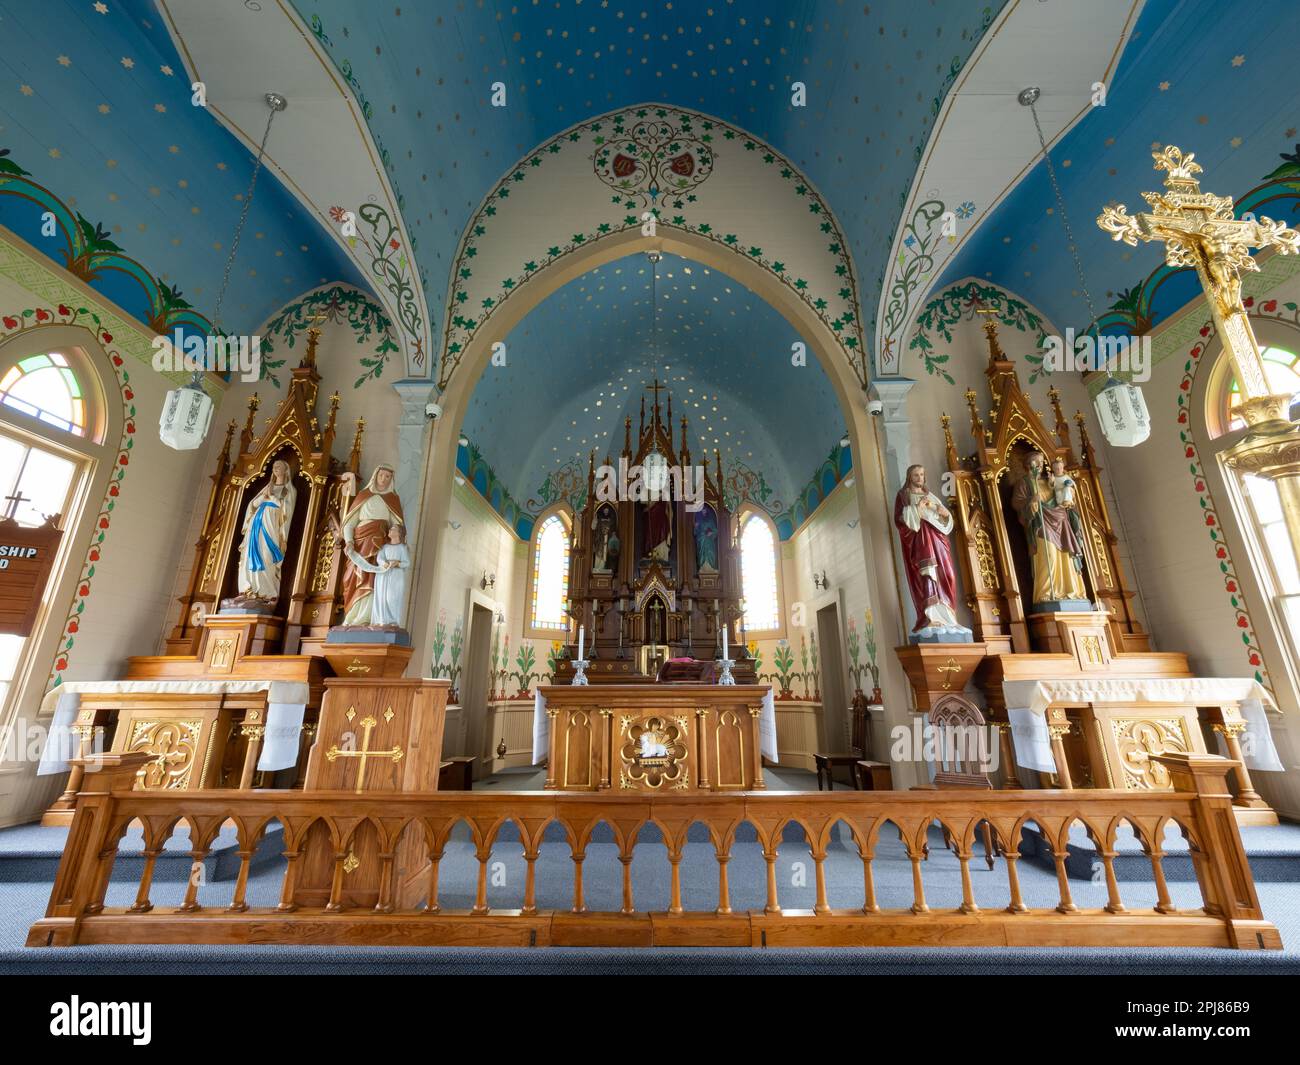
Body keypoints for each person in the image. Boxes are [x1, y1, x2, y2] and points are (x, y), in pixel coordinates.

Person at [893, 464, 963, 636]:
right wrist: (918, 509)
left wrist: (945, 515)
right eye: (916, 475)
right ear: (910, 477)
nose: (919, 478)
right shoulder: (903, 496)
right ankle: (931, 617)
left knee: (948, 575)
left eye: (922, 475)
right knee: (928, 574)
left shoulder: (931, 495)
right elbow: (900, 520)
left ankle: (949, 618)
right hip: (922, 541)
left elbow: (944, 519)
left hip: (939, 541)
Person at [1012, 450, 1088, 605]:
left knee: (1066, 556)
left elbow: (1065, 494)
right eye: (1035, 462)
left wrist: (1069, 493)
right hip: (1041, 523)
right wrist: (1032, 500)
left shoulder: (1051, 480)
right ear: (1027, 465)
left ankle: (1071, 591)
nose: (1039, 465)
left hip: (1060, 520)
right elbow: (1016, 503)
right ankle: (1046, 593)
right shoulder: (1024, 482)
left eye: (1041, 462)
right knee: (1049, 556)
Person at [339, 464, 404, 626]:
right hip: (359, 544)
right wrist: (349, 541)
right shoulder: (363, 495)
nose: (383, 479)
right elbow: (349, 524)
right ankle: (353, 616)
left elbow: (398, 527)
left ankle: (369, 616)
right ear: (375, 476)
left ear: (391, 480)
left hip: (380, 545)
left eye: (388, 476)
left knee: (375, 579)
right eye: (381, 475)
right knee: (354, 577)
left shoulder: (393, 500)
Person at [235, 458, 297, 603]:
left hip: (272, 525)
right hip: (257, 523)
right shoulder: (267, 487)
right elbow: (253, 505)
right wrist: (264, 497)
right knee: (249, 554)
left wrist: (273, 498)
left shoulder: (289, 490)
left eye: (279, 466)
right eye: (274, 466)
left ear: (286, 470)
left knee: (266, 554)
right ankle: (247, 589)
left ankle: (267, 592)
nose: (275, 468)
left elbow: (287, 510)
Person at [344, 523, 411, 627]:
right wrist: (384, 563)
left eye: (393, 529)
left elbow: (407, 562)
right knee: (381, 597)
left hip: (396, 577)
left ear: (399, 533)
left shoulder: (402, 548)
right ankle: (382, 621)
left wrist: (397, 563)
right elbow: (379, 558)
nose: (390, 530)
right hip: (383, 575)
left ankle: (393, 621)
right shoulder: (384, 547)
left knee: (392, 598)